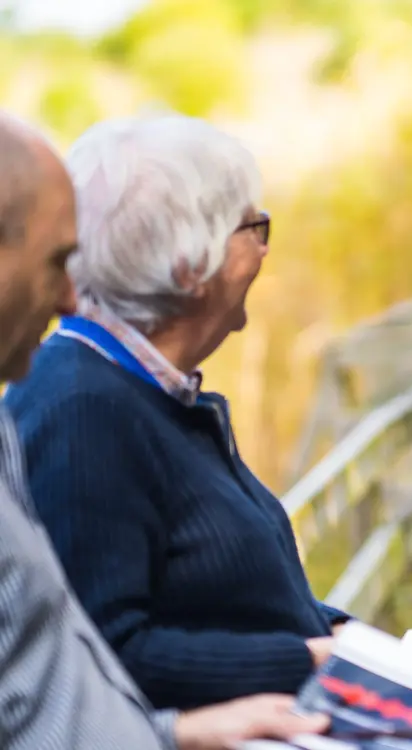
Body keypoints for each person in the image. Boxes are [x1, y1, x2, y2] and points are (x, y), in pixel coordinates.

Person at [0, 112, 330, 749]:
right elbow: (103, 652)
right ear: (189, 264)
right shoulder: (82, 410)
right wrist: (308, 657)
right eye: (253, 227)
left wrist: (342, 642)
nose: (265, 248)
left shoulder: (159, 393)